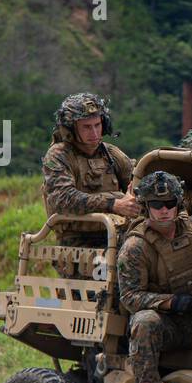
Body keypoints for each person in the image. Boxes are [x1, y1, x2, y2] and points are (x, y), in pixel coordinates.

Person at [117, 171, 192, 383]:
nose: (164, 211)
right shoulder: (135, 247)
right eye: (156, 205)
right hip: (167, 322)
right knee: (143, 323)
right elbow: (130, 296)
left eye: (170, 204)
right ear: (145, 207)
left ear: (178, 204)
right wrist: (170, 303)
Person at [41, 93, 139, 274]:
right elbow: (63, 199)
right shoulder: (58, 155)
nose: (94, 133)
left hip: (117, 237)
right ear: (70, 130)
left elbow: (137, 183)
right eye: (86, 127)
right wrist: (114, 203)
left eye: (97, 125)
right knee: (118, 278)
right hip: (78, 248)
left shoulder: (111, 153)